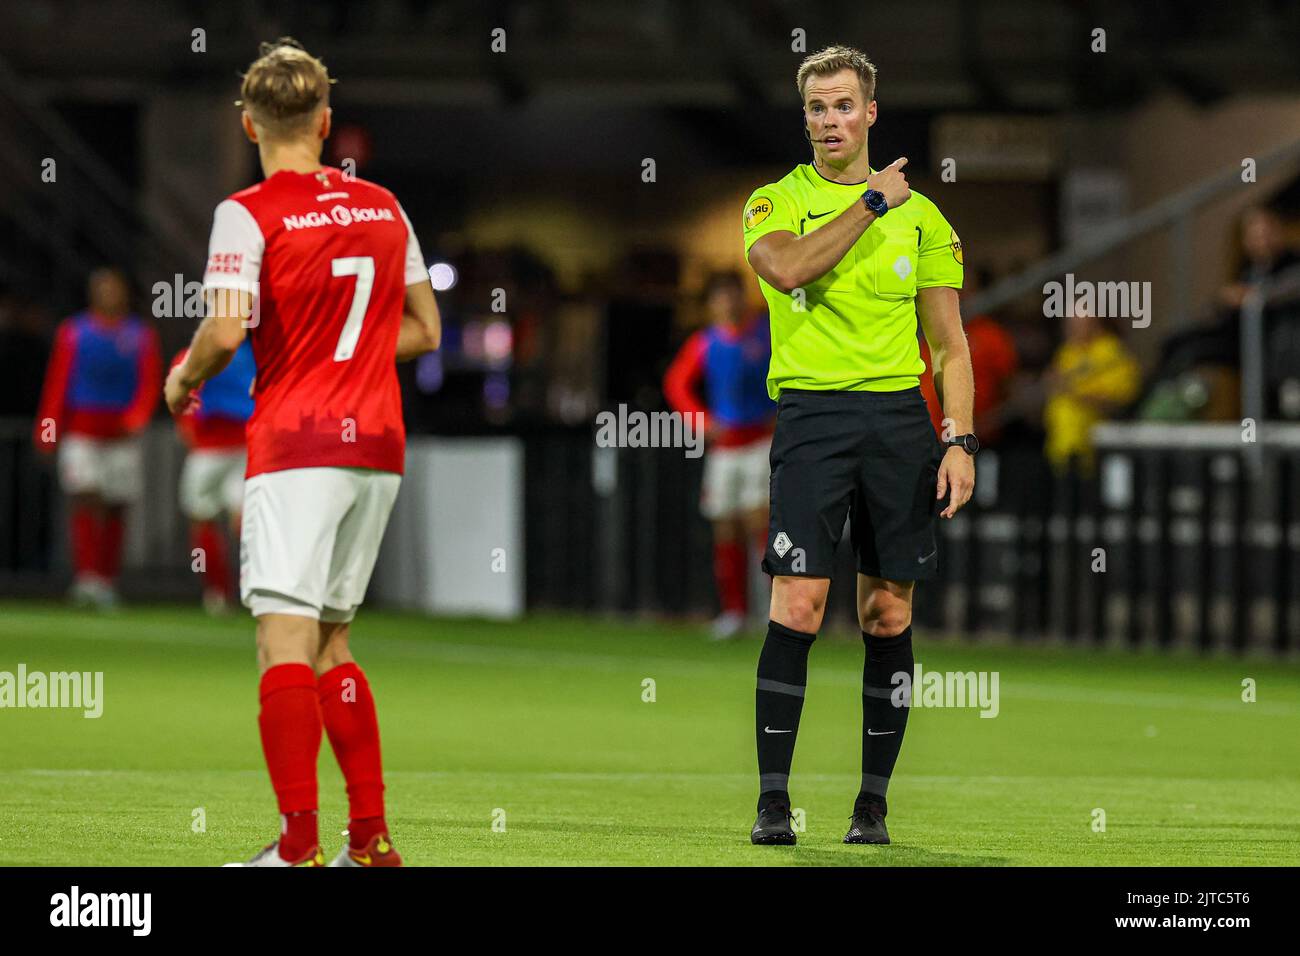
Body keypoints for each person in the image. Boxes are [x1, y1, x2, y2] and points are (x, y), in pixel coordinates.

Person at [164, 38, 440, 867]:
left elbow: (224, 329)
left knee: (281, 644)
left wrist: (181, 380)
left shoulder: (246, 213)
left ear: (249, 124)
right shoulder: (386, 206)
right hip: (378, 448)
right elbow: (426, 330)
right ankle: (373, 840)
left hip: (298, 443)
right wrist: (347, 354)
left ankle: (298, 847)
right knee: (333, 644)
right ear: (324, 120)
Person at [741, 45, 974, 847]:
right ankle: (775, 803)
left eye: (844, 105)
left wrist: (960, 438)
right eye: (816, 108)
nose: (830, 120)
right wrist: (871, 204)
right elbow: (785, 269)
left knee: (885, 612)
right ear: (803, 117)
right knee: (798, 605)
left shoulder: (926, 217)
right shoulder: (776, 202)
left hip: (899, 426)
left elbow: (949, 346)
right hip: (812, 419)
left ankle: (872, 806)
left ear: (871, 112)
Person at [33, 267, 160, 608]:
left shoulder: (140, 335)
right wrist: (47, 432)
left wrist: (138, 417)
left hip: (121, 433)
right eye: (102, 289)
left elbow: (149, 383)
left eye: (114, 289)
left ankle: (107, 578)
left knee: (117, 504)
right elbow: (57, 385)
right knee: (85, 496)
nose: (109, 295)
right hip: (82, 429)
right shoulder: (74, 332)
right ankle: (86, 577)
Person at [663, 271, 776, 639]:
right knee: (725, 525)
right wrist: (701, 422)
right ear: (711, 304)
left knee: (761, 521)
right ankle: (734, 612)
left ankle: (771, 611)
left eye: (733, 295)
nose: (728, 303)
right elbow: (676, 384)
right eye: (721, 297)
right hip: (725, 448)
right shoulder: (705, 343)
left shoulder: (766, 332)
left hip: (761, 440)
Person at [170, 340, 256, 613]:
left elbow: (182, 392)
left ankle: (216, 591)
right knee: (246, 520)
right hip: (247, 444)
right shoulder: (256, 353)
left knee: (202, 518)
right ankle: (255, 589)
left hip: (208, 449)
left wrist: (188, 428)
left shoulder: (194, 352)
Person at [1042, 303, 1140, 473]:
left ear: (1096, 322)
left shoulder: (1112, 353)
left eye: (1078, 323)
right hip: (1062, 446)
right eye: (1069, 323)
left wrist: (1072, 392)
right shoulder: (1069, 352)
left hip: (1096, 449)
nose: (1071, 329)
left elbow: (1119, 400)